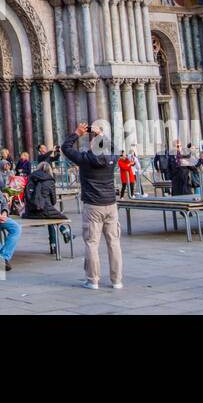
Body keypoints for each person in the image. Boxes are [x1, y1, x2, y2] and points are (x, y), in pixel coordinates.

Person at [63, 122, 123, 290]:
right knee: (114, 243)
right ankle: (117, 280)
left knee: (91, 243)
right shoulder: (112, 158)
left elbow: (66, 148)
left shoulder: (85, 159)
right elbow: (115, 148)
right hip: (111, 204)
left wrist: (76, 133)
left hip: (93, 205)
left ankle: (93, 280)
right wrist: (101, 136)